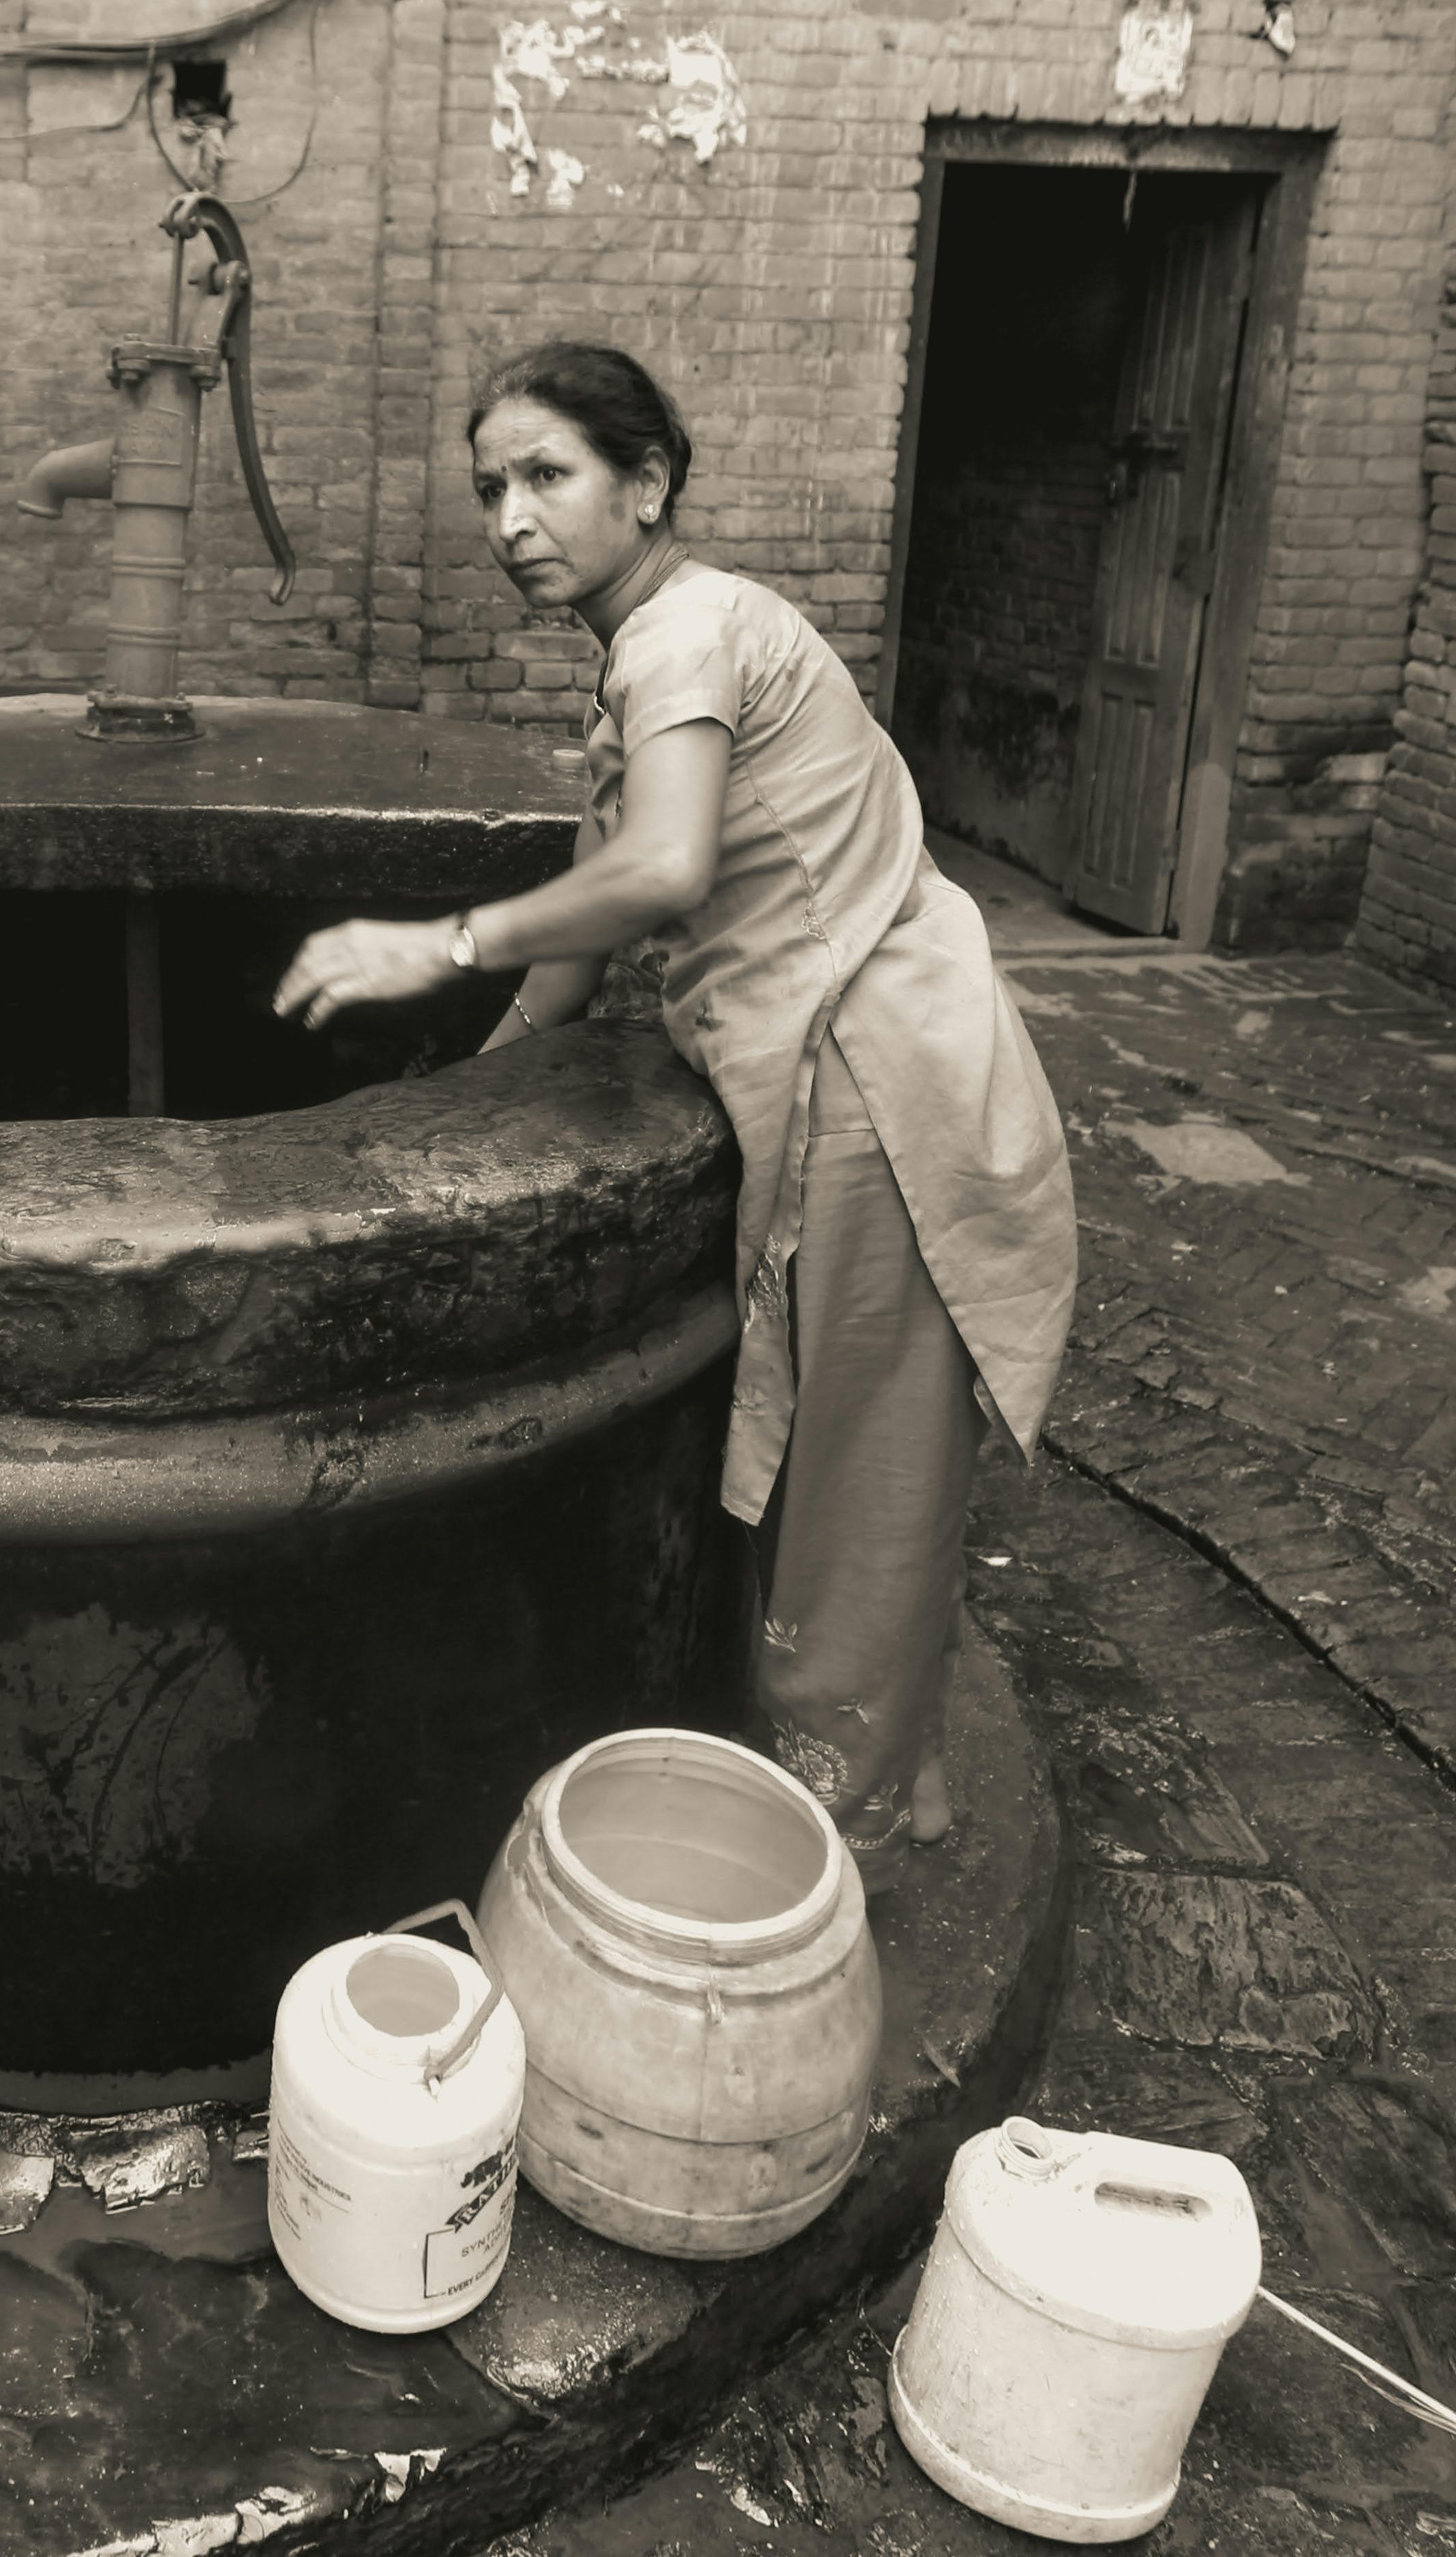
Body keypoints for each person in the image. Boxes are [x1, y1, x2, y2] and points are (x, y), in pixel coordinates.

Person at [272, 342, 1076, 1890]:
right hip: (853, 1058)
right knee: (841, 1457)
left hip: (880, 1080)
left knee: (862, 1474)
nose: (511, 518)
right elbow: (584, 943)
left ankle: (825, 1855)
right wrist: (470, 1094)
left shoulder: (682, 637)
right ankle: (871, 1786)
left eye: (548, 477)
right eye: (490, 487)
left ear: (645, 487)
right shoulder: (644, 650)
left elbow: (661, 873)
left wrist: (426, 949)